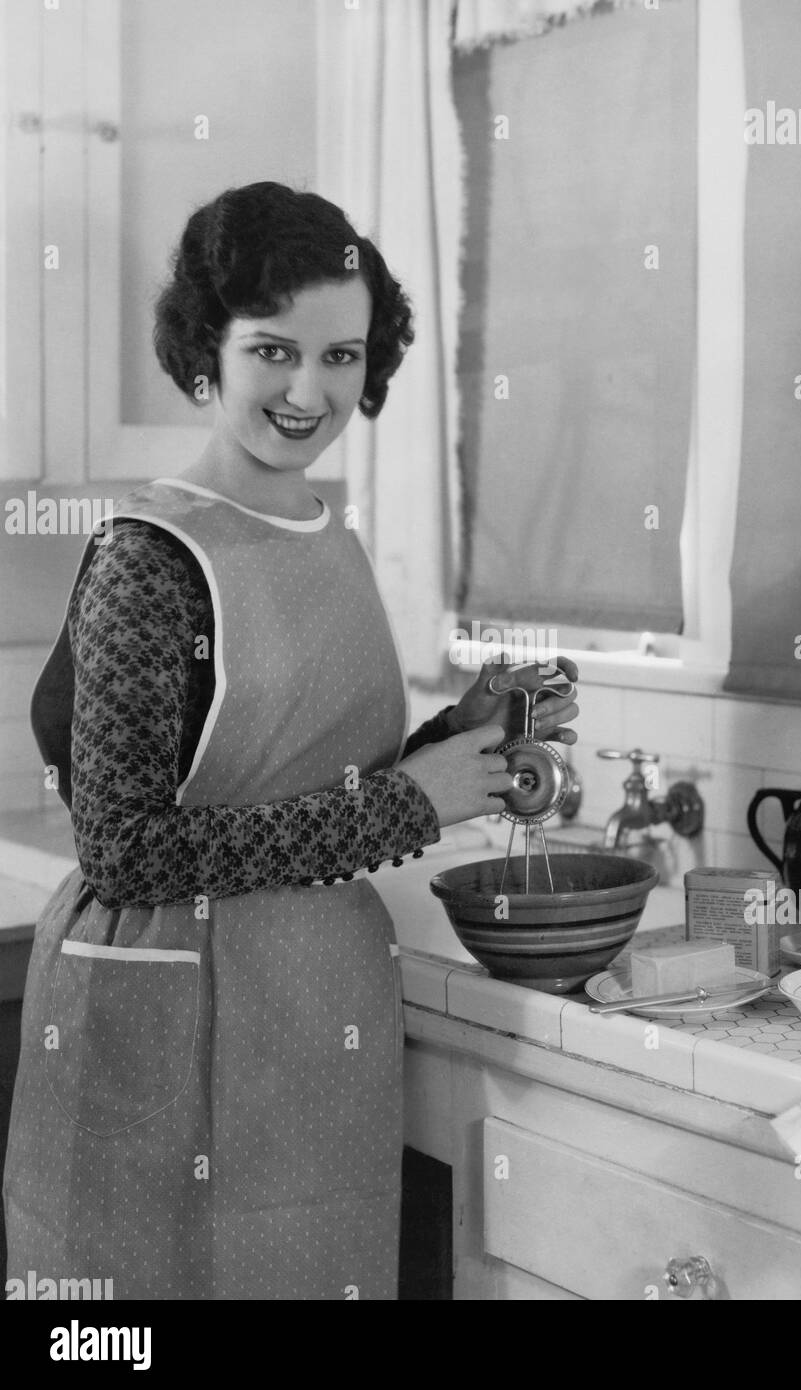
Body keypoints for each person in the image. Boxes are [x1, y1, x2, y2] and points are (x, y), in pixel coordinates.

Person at [2, 181, 578, 1300]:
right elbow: (126, 850)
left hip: (313, 1009)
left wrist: (455, 737)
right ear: (205, 353)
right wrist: (415, 805)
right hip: (159, 1006)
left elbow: (309, 772)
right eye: (274, 350)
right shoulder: (151, 557)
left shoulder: (326, 527)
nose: (311, 390)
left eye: (343, 356)